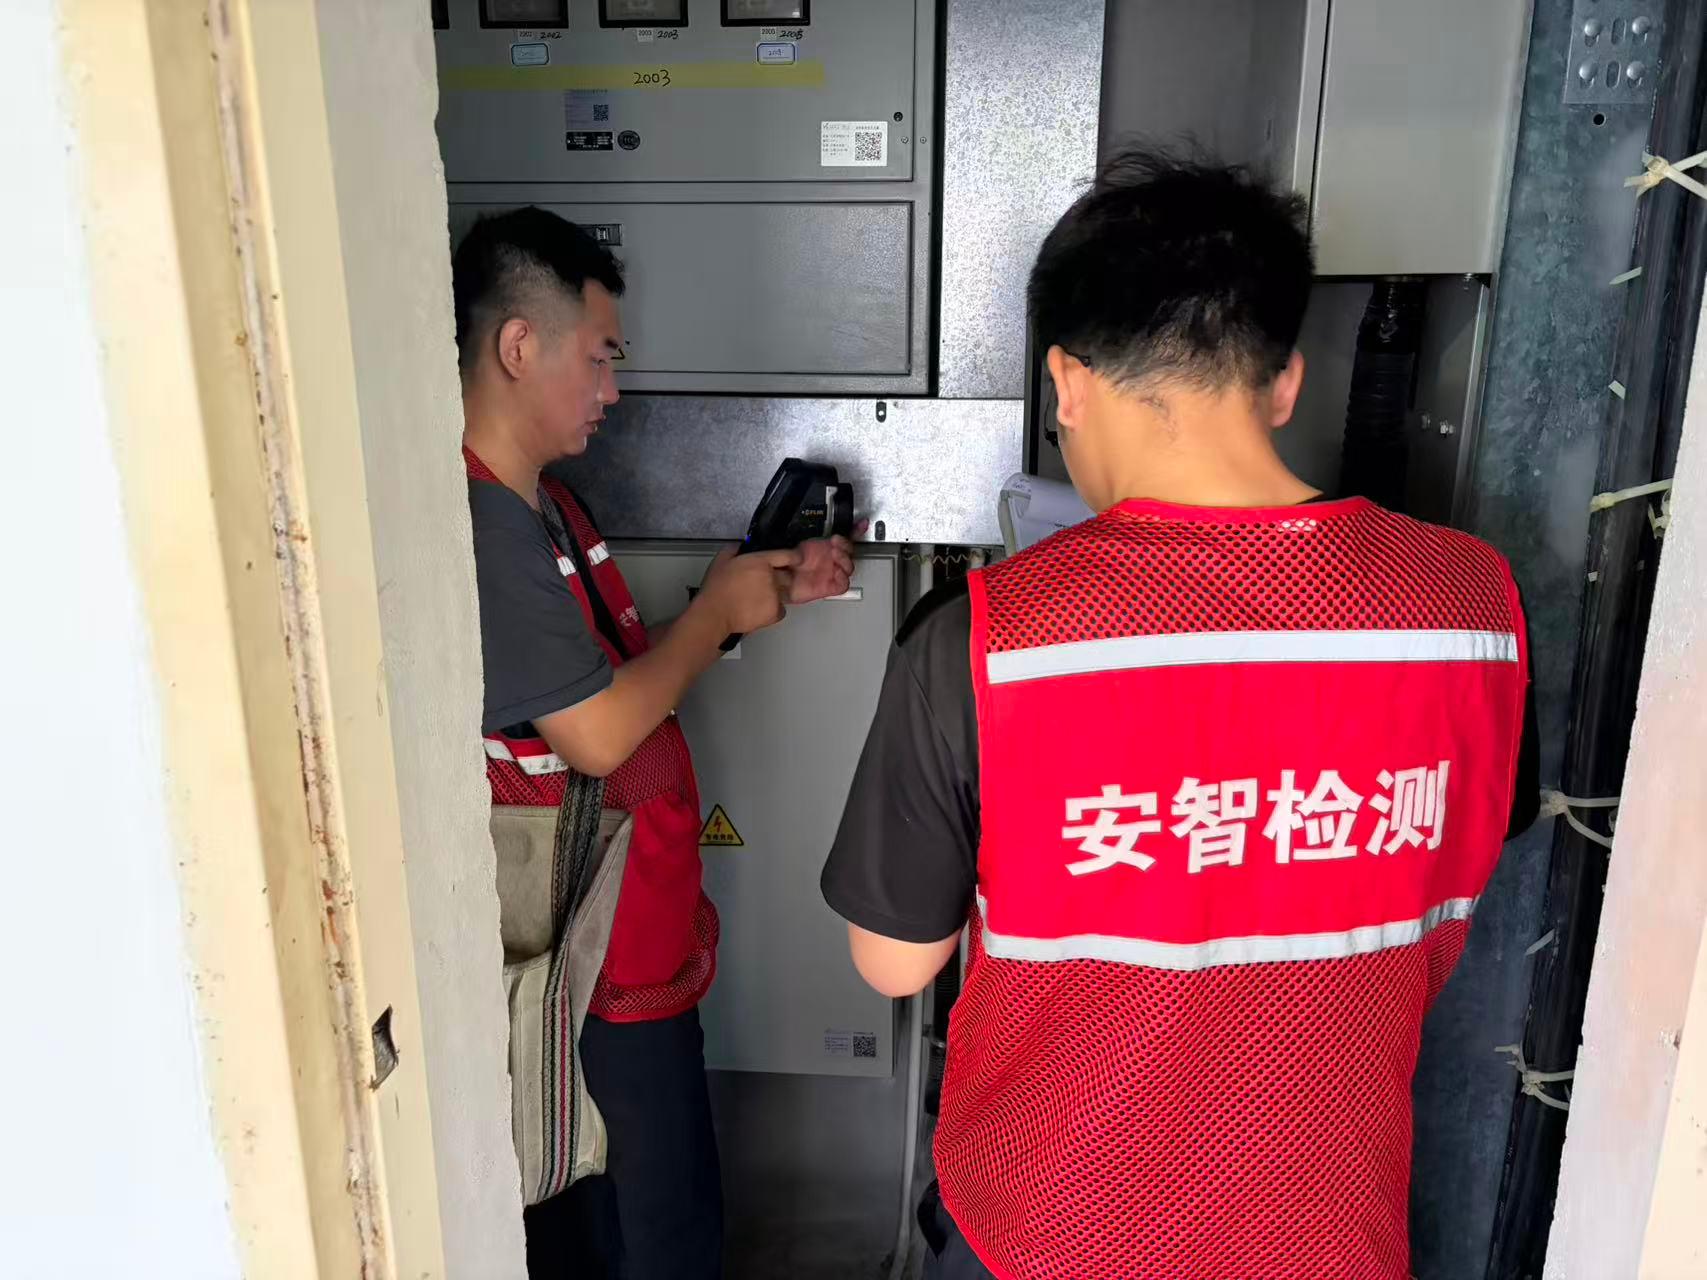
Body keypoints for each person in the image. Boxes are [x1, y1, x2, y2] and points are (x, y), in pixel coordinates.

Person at [821, 147, 1540, 1280]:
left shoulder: (984, 641)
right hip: (1325, 1238)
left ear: (1066, 383)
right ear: (1285, 382)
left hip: (1045, 1233)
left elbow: (896, 962)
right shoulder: (1472, 610)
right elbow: (1478, 833)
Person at [454, 206, 852, 1279]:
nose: (612, 390)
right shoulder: (483, 525)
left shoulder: (546, 508)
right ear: (519, 345)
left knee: (665, 1223)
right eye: (600, 357)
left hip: (636, 953)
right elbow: (593, 735)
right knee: (643, 1240)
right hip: (592, 979)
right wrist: (714, 616)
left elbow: (612, 682)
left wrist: (749, 594)